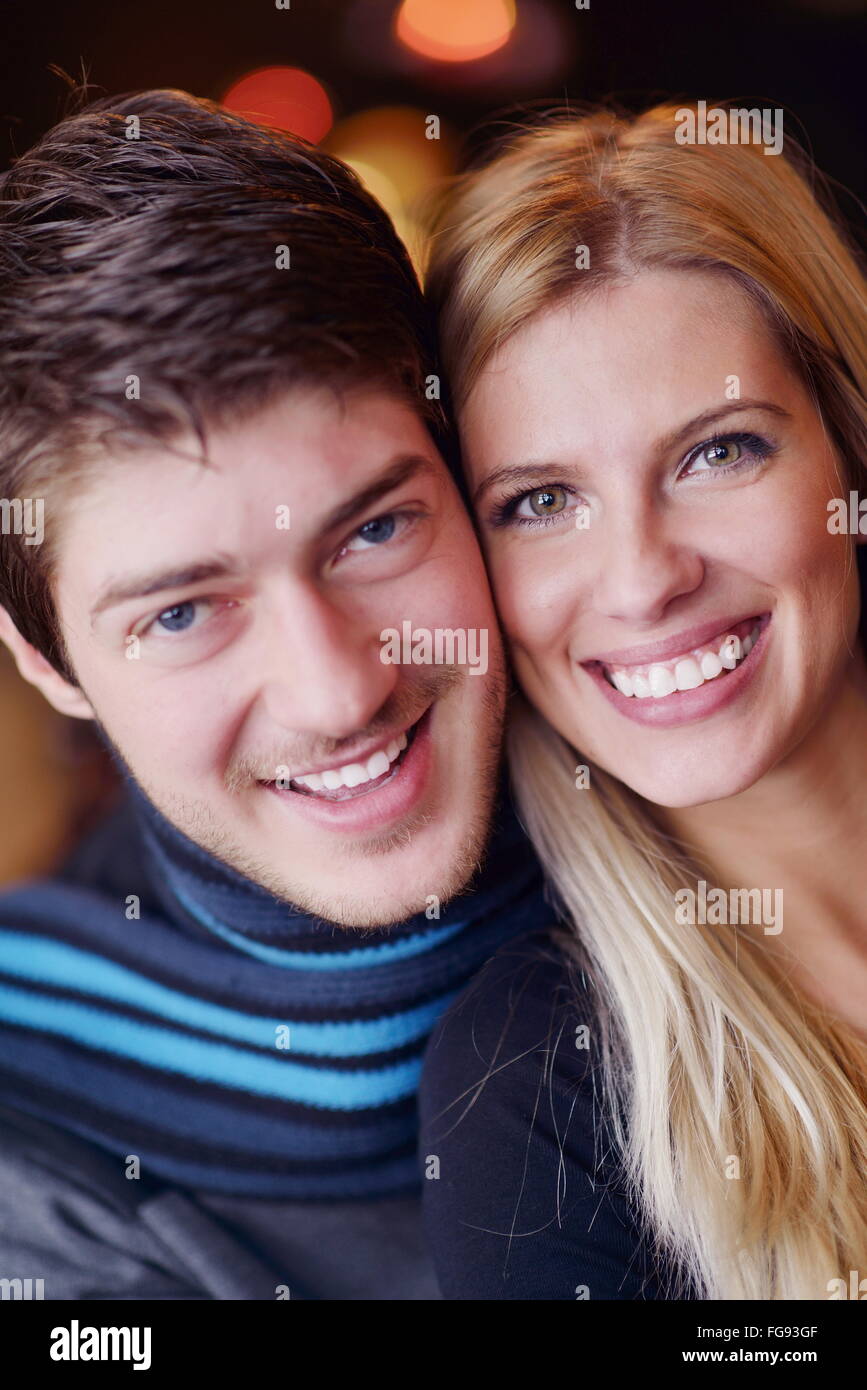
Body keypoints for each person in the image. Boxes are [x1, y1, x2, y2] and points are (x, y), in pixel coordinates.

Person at [0, 89, 547, 1300]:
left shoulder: (726, 847)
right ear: (46, 661)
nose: (337, 690)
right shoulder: (35, 1191)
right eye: (183, 612)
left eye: (376, 531)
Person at [418, 102, 867, 1300]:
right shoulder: (540, 1080)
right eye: (539, 502)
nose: (644, 578)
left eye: (717, 452)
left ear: (848, 450)